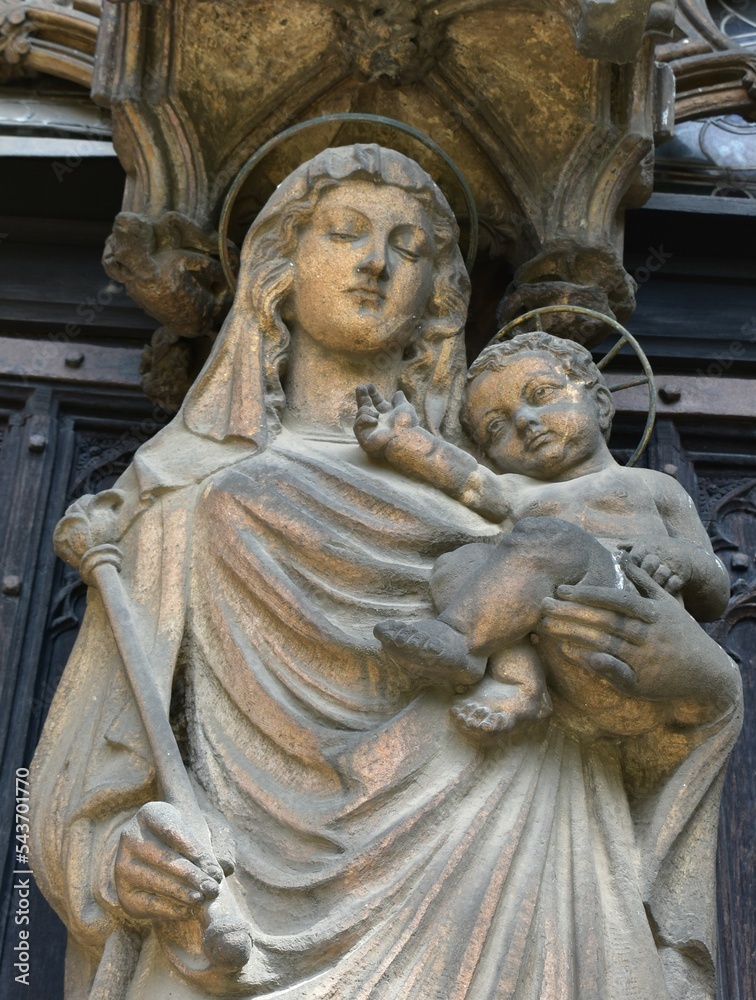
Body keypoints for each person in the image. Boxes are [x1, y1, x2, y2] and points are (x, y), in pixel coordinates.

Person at [30, 145, 741, 1000]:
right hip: (251, 924)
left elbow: (648, 712)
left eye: (408, 247)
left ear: (438, 298)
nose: (375, 262)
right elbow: (78, 785)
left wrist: (697, 680)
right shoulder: (184, 498)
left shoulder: (511, 496)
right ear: (279, 270)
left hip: (527, 886)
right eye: (345, 232)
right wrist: (123, 861)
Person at [353, 332, 730, 735]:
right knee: (459, 562)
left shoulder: (651, 484)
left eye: (541, 394)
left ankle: (458, 637)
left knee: (551, 538)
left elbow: (716, 590)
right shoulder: (518, 492)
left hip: (626, 607)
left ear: (601, 404)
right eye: (496, 426)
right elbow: (467, 478)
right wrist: (401, 441)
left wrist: (680, 559)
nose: (523, 420)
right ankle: (519, 683)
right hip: (557, 636)